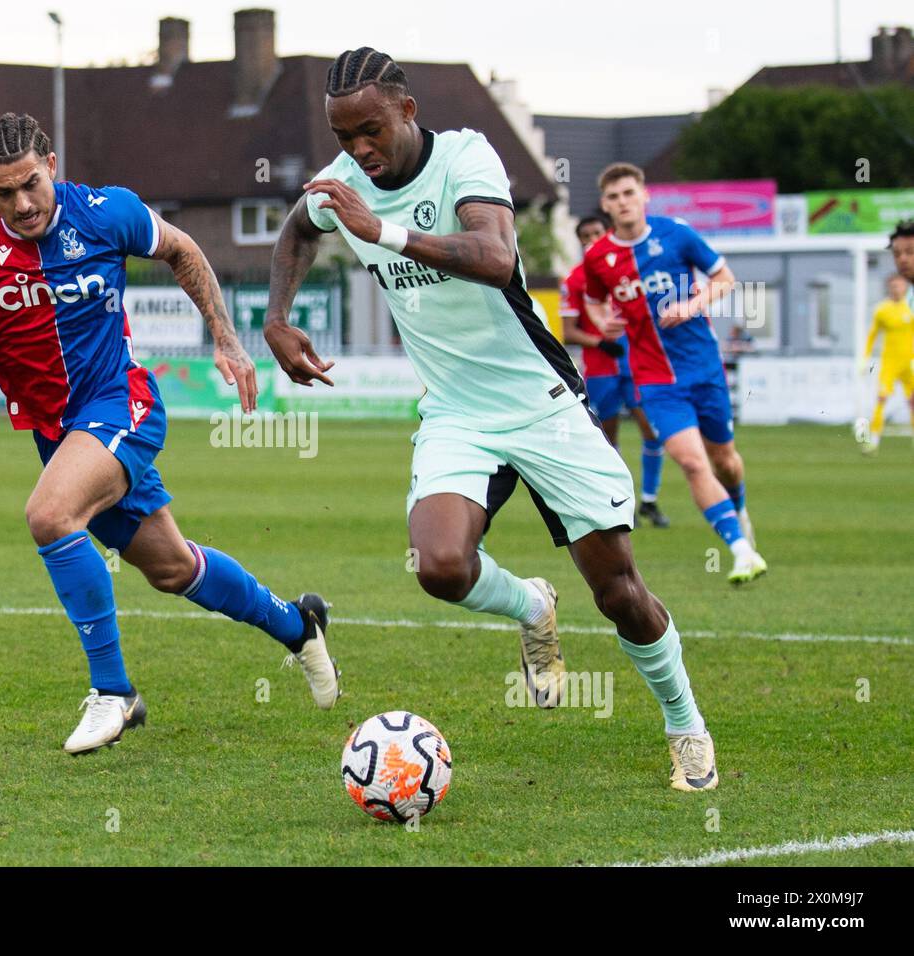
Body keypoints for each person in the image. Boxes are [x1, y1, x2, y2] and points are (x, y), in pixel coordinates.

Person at [264, 49, 717, 791]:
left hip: (541, 402)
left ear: (407, 111)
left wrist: (382, 232)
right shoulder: (343, 187)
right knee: (440, 567)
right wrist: (277, 320)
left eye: (371, 130)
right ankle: (532, 604)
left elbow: (496, 255)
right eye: (345, 138)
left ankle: (685, 723)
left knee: (619, 593)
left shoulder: (466, 156)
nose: (359, 151)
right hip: (456, 412)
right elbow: (298, 229)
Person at [0, 113, 340, 756]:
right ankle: (299, 625)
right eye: (1, 192)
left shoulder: (105, 211)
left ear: (51, 161)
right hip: (57, 433)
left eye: (30, 184)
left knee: (48, 513)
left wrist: (226, 338)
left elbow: (183, 249)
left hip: (121, 405)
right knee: (174, 569)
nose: (20, 204)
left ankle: (114, 692)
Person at [583, 163, 766, 584]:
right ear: (606, 205)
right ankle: (741, 552)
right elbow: (593, 302)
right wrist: (603, 321)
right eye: (613, 197)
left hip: (703, 369)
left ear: (644, 195)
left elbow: (724, 277)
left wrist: (693, 303)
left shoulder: (677, 234)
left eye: (629, 193)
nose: (622, 202)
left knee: (726, 462)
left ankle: (737, 509)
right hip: (653, 379)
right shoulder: (598, 258)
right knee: (691, 462)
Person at [559, 213, 669, 527]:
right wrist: (598, 342)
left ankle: (650, 500)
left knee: (653, 432)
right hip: (602, 368)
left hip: (637, 365)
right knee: (608, 440)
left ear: (606, 233)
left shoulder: (627, 270)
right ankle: (622, 500)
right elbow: (568, 331)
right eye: (586, 236)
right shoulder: (575, 280)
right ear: (580, 241)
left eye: (597, 233)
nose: (592, 239)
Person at [858, 270, 912, 455]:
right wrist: (864, 358)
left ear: (905, 287)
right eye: (893, 285)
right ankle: (873, 442)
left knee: (913, 402)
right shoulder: (882, 310)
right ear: (889, 288)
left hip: (910, 363)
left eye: (899, 285)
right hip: (890, 363)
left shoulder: (911, 307)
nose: (896, 288)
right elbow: (872, 335)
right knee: (881, 399)